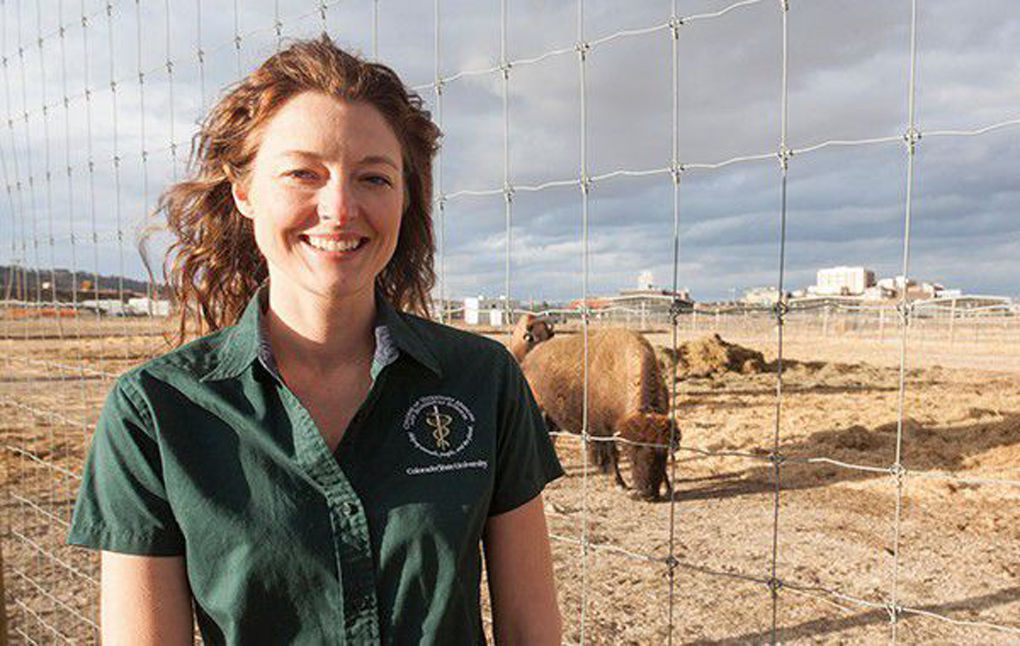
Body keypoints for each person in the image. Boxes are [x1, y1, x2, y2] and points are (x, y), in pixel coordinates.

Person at [67, 35, 564, 645]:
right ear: (244, 191)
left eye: (373, 177)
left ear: (405, 198)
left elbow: (531, 628)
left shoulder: (483, 379)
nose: (340, 208)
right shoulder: (154, 413)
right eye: (304, 173)